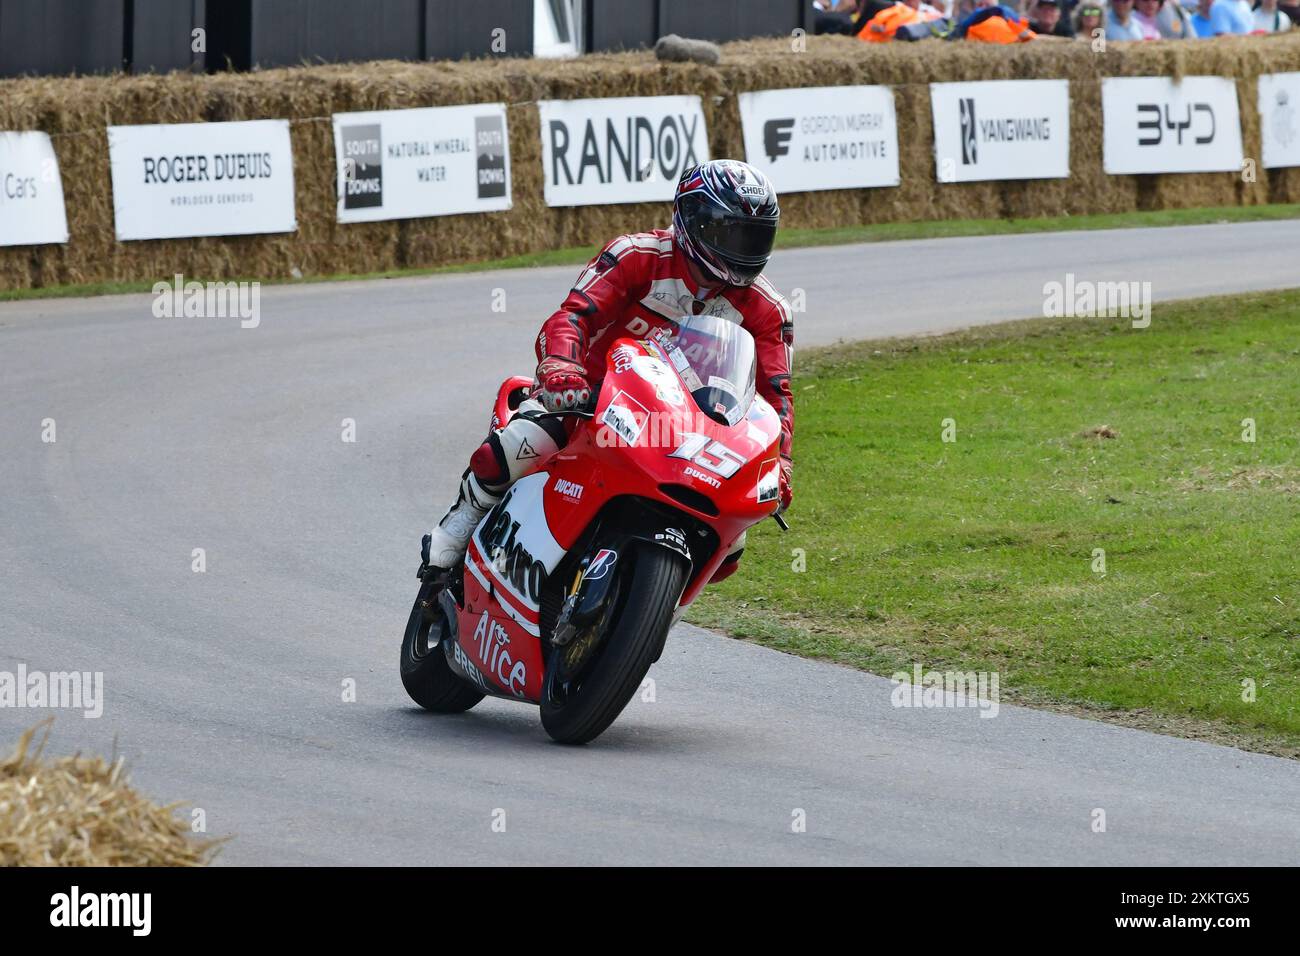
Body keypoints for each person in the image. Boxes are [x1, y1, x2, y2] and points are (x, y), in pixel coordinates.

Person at [421, 159, 795, 575]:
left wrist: (780, 462)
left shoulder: (769, 310)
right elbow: (572, 318)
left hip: (688, 432)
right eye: (732, 233)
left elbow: (774, 396)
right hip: (592, 399)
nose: (744, 249)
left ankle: (652, 608)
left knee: (729, 545)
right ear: (693, 221)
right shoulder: (637, 256)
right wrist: (562, 367)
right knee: (513, 449)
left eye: (756, 237)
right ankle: (460, 524)